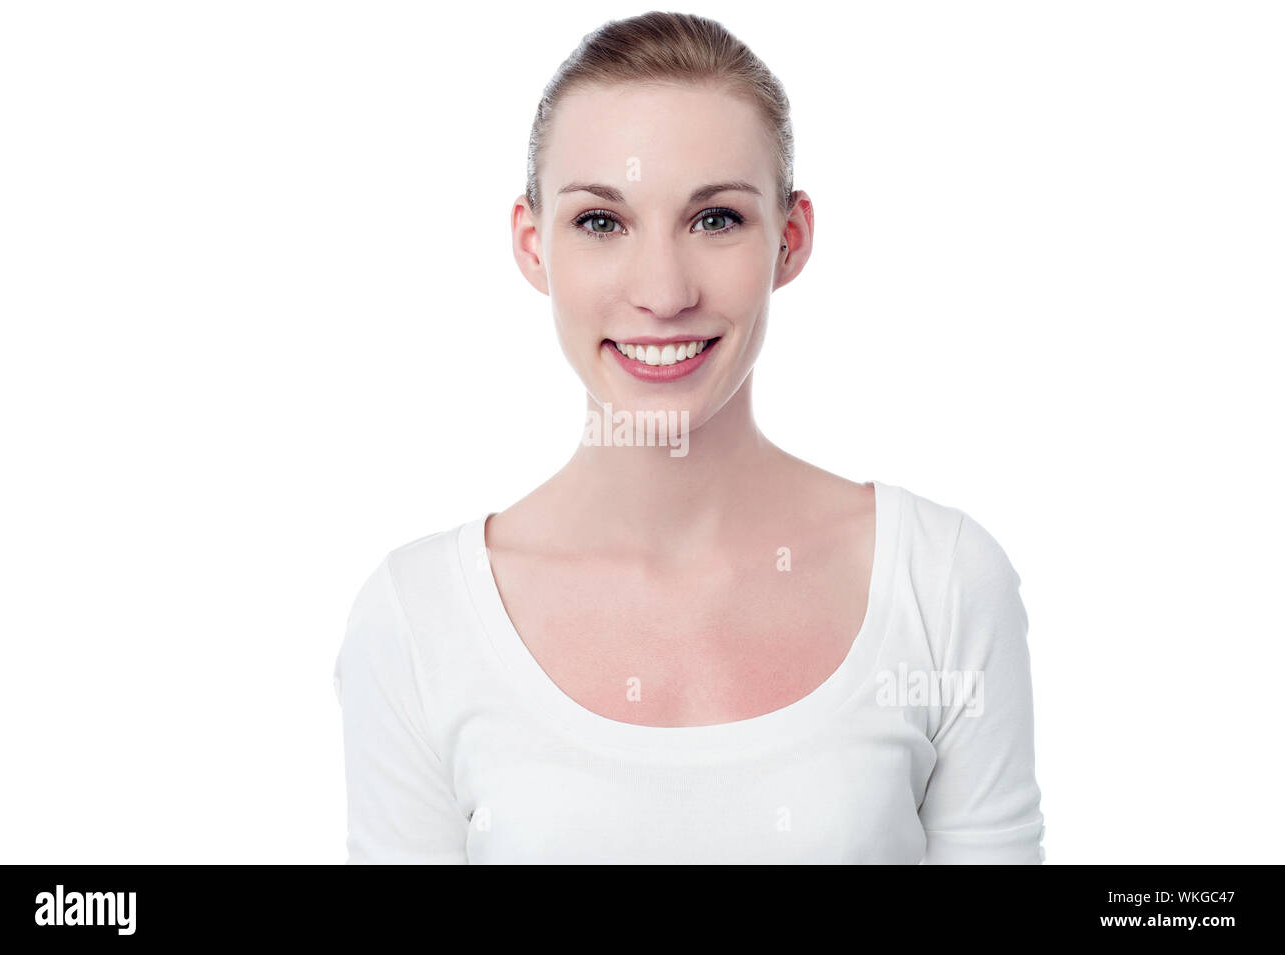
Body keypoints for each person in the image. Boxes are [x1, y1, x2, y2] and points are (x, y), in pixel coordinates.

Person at [333, 11, 1045, 864]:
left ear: (791, 239)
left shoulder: (944, 582)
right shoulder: (419, 621)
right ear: (533, 247)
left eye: (715, 220)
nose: (663, 292)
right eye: (602, 221)